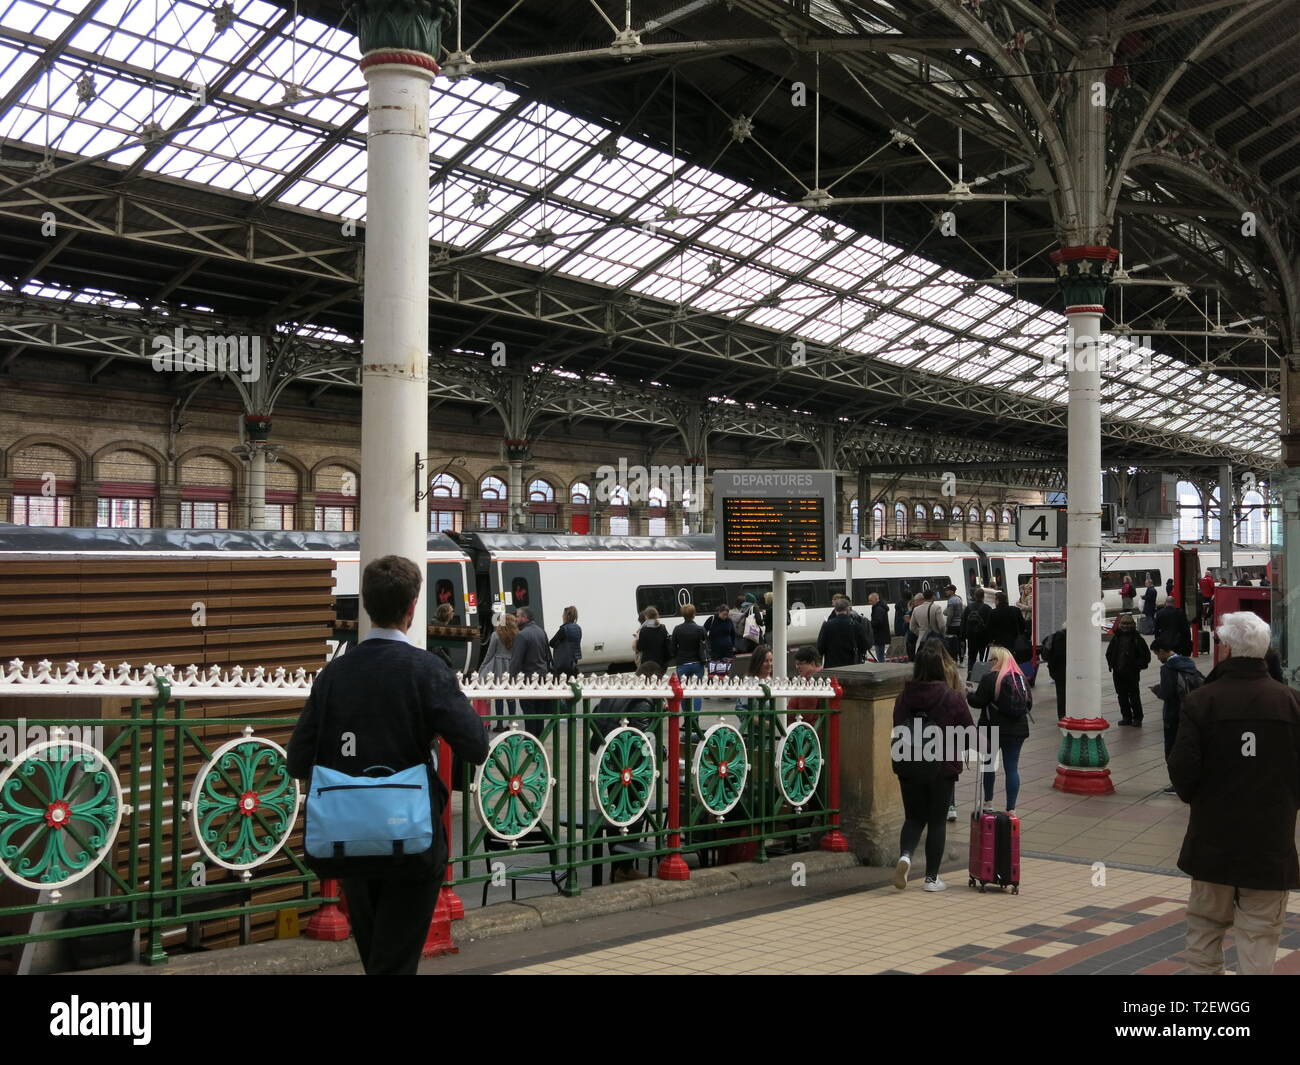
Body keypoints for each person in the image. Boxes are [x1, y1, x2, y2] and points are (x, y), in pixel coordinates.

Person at [286, 555, 488, 976]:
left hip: (349, 837)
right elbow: (475, 745)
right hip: (411, 836)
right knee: (395, 960)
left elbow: (297, 758)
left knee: (380, 954)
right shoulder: (426, 670)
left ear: (366, 605)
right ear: (413, 607)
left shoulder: (334, 675)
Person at [1169, 611, 1300, 975]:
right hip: (1271, 845)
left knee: (1205, 929)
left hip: (1212, 842)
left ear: (1226, 648)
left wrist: (1203, 799)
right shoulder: (1292, 703)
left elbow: (1182, 771)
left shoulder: (1201, 702)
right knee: (1259, 937)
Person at [890, 641, 975, 892]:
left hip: (907, 764)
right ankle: (931, 879)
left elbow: (898, 728)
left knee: (914, 818)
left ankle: (905, 856)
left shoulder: (903, 697)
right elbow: (969, 733)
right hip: (942, 768)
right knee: (937, 821)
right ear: (941, 668)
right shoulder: (952, 698)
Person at [967, 644, 1031, 817]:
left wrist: (968, 694)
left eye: (991, 659)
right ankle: (1011, 808)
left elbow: (978, 702)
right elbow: (1028, 705)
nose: (989, 663)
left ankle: (988, 802)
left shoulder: (990, 678)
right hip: (1017, 730)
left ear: (997, 660)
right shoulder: (1020, 678)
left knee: (989, 766)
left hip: (992, 729)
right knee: (1012, 768)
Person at [1151, 635, 1203, 794]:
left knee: (1172, 750)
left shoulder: (1167, 668)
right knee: (1188, 747)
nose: (1158, 658)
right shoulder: (1188, 663)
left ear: (1162, 651)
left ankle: (1177, 784)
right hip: (1188, 711)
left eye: (1157, 654)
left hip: (1173, 713)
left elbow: (1167, 693)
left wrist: (1157, 690)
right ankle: (1193, 780)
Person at [510, 605, 554, 735]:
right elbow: (547, 656)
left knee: (529, 713)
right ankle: (538, 739)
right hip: (542, 678)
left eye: (517, 616)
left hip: (528, 680)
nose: (516, 619)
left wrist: (510, 679)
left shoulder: (522, 635)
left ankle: (530, 739)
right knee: (539, 712)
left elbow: (516, 661)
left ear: (525, 618)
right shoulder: (541, 632)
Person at [478, 611, 519, 733]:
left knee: (499, 696)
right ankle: (512, 723)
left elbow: (489, 655)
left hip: (498, 666)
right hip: (511, 666)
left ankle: (499, 724)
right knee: (511, 696)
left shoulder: (496, 635)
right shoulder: (517, 635)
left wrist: (481, 669)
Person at [1106, 613, 1150, 726]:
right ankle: (1126, 717)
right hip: (1118, 672)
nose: (1125, 626)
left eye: (1128, 624)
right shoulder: (1116, 638)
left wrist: (1136, 666)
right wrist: (1112, 665)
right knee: (1122, 696)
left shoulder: (1137, 639)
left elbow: (1146, 656)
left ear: (1133, 625)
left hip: (1132, 673)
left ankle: (1137, 718)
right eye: (1123, 624)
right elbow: (1109, 653)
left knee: (1134, 696)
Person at [670, 603, 708, 713]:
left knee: (684, 690)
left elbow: (672, 648)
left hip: (682, 662)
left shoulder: (677, 629)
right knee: (696, 691)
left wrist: (678, 655)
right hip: (697, 663)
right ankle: (695, 717)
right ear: (694, 614)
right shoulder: (700, 629)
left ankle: (687, 715)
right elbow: (706, 646)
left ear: (683, 615)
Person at [818, 599, 867, 668]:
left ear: (835, 610)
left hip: (832, 664)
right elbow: (864, 646)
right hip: (851, 664)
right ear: (848, 610)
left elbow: (820, 647)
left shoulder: (827, 625)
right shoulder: (856, 625)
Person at [961, 588, 993, 678]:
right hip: (983, 638)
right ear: (983, 597)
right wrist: (991, 639)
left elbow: (963, 622)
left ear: (974, 596)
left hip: (971, 638)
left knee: (972, 658)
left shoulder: (968, 608)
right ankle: (982, 677)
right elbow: (990, 624)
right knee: (983, 659)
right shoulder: (987, 608)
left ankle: (970, 676)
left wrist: (963, 637)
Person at [908, 587, 946, 657]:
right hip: (935, 640)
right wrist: (942, 635)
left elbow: (911, 627)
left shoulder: (916, 609)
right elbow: (942, 625)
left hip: (921, 641)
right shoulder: (936, 608)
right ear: (932, 596)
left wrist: (920, 633)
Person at [703, 602, 737, 675]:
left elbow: (733, 634)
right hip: (715, 651)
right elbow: (703, 631)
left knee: (728, 670)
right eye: (724, 614)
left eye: (727, 615)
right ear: (719, 612)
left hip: (728, 650)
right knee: (716, 669)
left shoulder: (729, 621)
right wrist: (707, 642)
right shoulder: (711, 620)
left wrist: (733, 645)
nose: (725, 616)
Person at [548, 605, 582, 676]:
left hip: (563, 664)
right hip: (573, 662)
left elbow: (551, 643)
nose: (562, 616)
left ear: (566, 616)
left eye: (563, 615)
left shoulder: (564, 629)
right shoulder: (578, 628)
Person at [634, 605, 671, 669]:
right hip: (660, 662)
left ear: (646, 617)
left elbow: (639, 648)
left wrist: (637, 639)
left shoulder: (643, 630)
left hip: (647, 663)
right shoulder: (662, 628)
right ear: (656, 615)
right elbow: (666, 644)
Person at [1041, 625, 1067, 720]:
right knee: (1062, 693)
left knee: (1061, 693)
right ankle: (1063, 715)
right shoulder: (1062, 637)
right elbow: (1059, 655)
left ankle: (1062, 715)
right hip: (1062, 671)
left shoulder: (1057, 636)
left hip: (1058, 671)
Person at [943, 584, 965, 664]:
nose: (946, 592)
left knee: (952, 644)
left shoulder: (951, 600)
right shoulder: (959, 599)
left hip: (953, 626)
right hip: (960, 625)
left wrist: (947, 625)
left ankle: (954, 659)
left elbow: (950, 615)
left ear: (952, 591)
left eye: (947, 590)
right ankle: (961, 658)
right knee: (960, 642)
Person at [868, 592, 890, 663]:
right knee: (881, 654)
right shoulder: (881, 607)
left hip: (879, 635)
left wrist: (869, 623)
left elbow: (878, 622)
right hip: (882, 635)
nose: (869, 602)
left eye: (871, 600)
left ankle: (882, 668)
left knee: (880, 656)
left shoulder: (878, 609)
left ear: (876, 599)